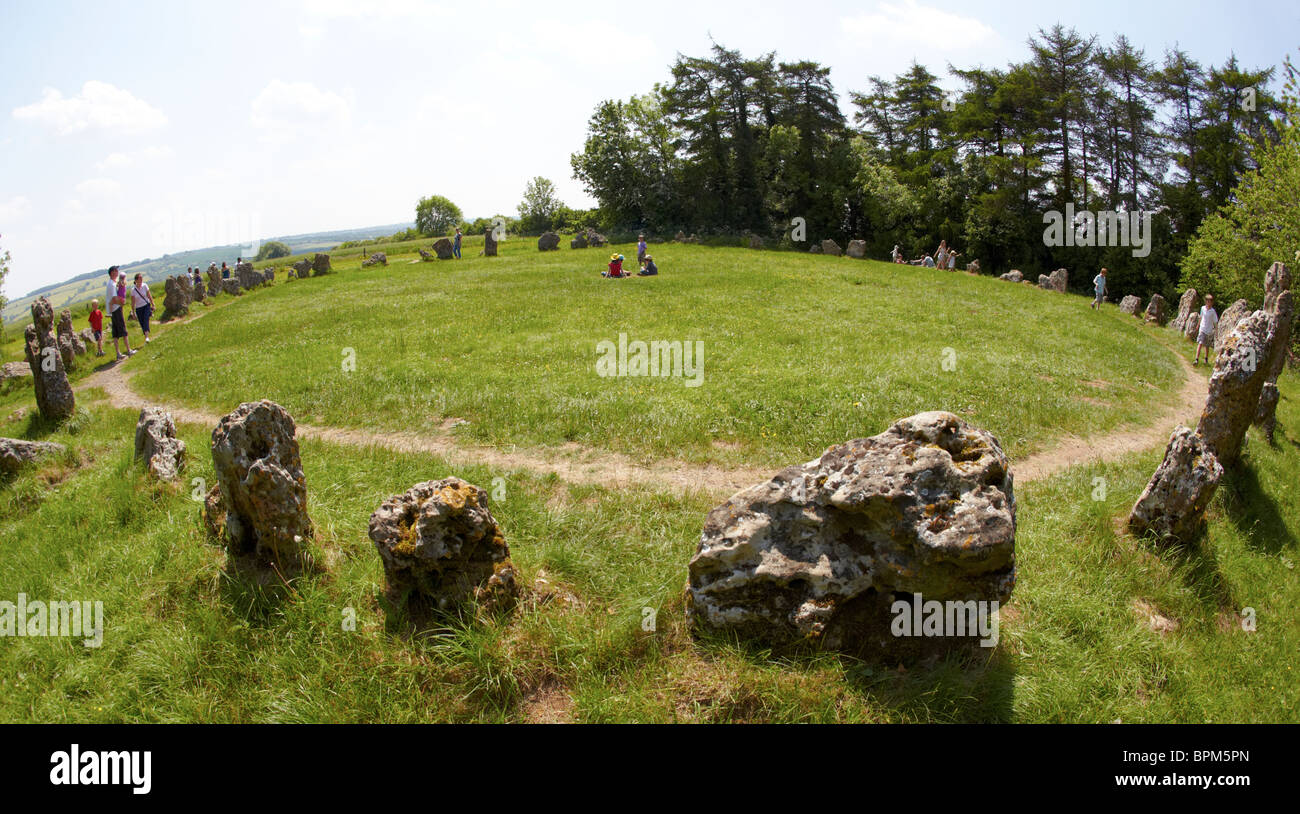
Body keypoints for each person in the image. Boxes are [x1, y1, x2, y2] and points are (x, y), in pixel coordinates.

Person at [104, 266, 135, 360]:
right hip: (116, 309)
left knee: (116, 333)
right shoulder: (112, 284)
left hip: (113, 310)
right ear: (113, 272)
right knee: (123, 330)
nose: (117, 272)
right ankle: (129, 350)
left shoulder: (111, 283)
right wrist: (122, 302)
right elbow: (114, 298)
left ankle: (118, 353)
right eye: (116, 270)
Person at [1194, 294, 1219, 366]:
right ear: (1205, 301)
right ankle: (1196, 359)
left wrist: (1216, 332)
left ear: (1212, 302)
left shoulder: (1213, 311)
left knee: (1207, 346)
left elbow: (1215, 322)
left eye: (1210, 301)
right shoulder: (1203, 308)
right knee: (1200, 343)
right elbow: (1201, 317)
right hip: (1202, 328)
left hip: (1209, 330)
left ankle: (1206, 359)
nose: (1208, 303)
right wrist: (1198, 326)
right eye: (1207, 301)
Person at [131, 273, 155, 343]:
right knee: (142, 323)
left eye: (142, 278)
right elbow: (133, 302)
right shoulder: (133, 290)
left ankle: (147, 337)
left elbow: (149, 295)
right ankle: (146, 336)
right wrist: (133, 312)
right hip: (138, 308)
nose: (141, 280)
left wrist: (153, 304)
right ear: (136, 280)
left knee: (145, 320)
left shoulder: (145, 286)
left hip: (146, 305)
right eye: (140, 278)